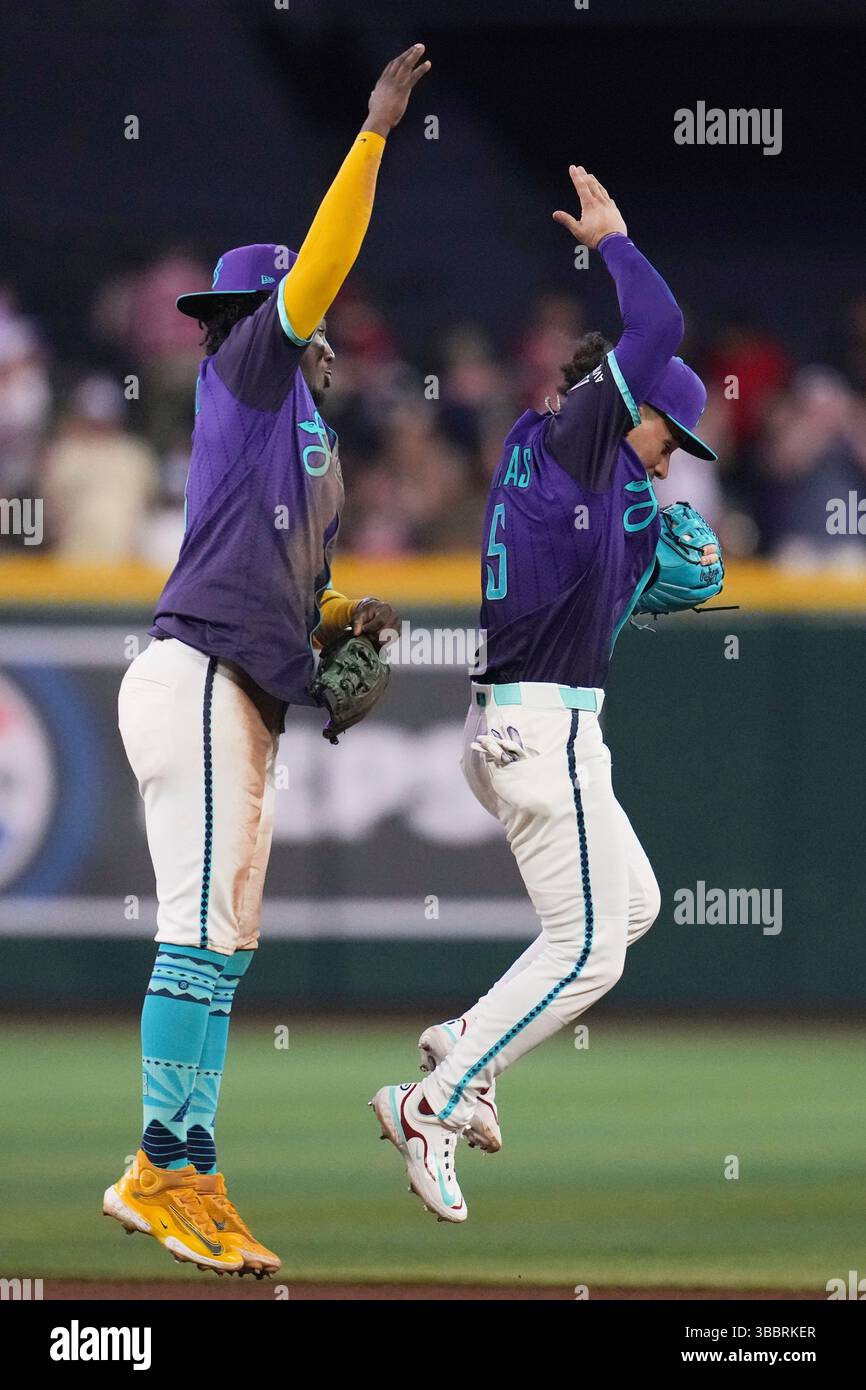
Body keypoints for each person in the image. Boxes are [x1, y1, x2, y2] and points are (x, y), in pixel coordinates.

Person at [105, 45, 430, 1274]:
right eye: (302, 310)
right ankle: (160, 1169)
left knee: (222, 946)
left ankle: (187, 1167)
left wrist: (342, 616)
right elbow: (323, 263)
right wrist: (374, 133)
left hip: (238, 695)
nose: (319, 327)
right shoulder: (248, 367)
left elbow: (296, 584)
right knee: (198, 933)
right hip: (197, 680)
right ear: (275, 314)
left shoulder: (305, 448)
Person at [371, 166, 719, 1223]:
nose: (673, 462)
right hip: (541, 730)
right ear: (635, 405)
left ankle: (462, 1041)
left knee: (632, 905)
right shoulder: (579, 438)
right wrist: (614, 241)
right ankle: (433, 1101)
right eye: (673, 436)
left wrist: (649, 562)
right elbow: (661, 324)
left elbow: (618, 573)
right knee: (588, 948)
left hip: (523, 723)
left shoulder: (570, 464)